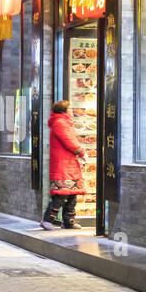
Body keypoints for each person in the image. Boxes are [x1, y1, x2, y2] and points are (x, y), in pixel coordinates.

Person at [41, 99, 85, 231]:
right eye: (70, 109)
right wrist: (81, 151)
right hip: (63, 165)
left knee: (72, 195)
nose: (71, 111)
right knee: (61, 195)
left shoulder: (64, 122)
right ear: (64, 110)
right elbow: (69, 140)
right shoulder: (60, 123)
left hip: (69, 163)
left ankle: (68, 222)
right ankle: (47, 219)